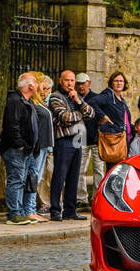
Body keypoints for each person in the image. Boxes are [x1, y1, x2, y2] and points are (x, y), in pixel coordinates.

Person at [48, 69, 95, 222]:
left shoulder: (77, 97)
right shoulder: (56, 97)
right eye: (67, 80)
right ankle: (55, 210)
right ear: (61, 81)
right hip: (64, 140)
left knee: (74, 177)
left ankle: (70, 210)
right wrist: (81, 115)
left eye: (72, 80)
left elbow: (92, 113)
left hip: (78, 139)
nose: (70, 83)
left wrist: (79, 102)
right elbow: (64, 117)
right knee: (59, 176)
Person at [0, 73, 38, 225]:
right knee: (16, 179)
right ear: (30, 86)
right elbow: (12, 125)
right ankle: (14, 213)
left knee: (25, 179)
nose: (37, 85)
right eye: (35, 82)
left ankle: (21, 211)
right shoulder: (15, 101)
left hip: (26, 149)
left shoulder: (26, 101)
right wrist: (19, 143)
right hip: (16, 149)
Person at [90, 71, 133, 171]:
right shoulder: (108, 96)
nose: (119, 83)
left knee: (120, 170)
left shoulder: (120, 99)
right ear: (111, 83)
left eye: (121, 81)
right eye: (116, 81)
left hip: (124, 138)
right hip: (114, 139)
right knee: (113, 170)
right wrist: (102, 116)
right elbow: (92, 102)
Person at [74, 73, 106, 207]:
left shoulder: (97, 98)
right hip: (80, 138)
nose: (81, 86)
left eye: (83, 83)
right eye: (79, 84)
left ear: (89, 83)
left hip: (96, 138)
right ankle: (81, 198)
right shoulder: (74, 99)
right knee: (80, 169)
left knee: (98, 169)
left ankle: (96, 198)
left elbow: (102, 116)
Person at [29, 75, 55, 221]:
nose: (43, 91)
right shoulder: (34, 104)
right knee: (36, 177)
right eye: (42, 88)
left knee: (40, 176)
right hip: (39, 146)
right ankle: (31, 208)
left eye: (46, 89)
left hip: (46, 146)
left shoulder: (42, 104)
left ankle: (32, 207)